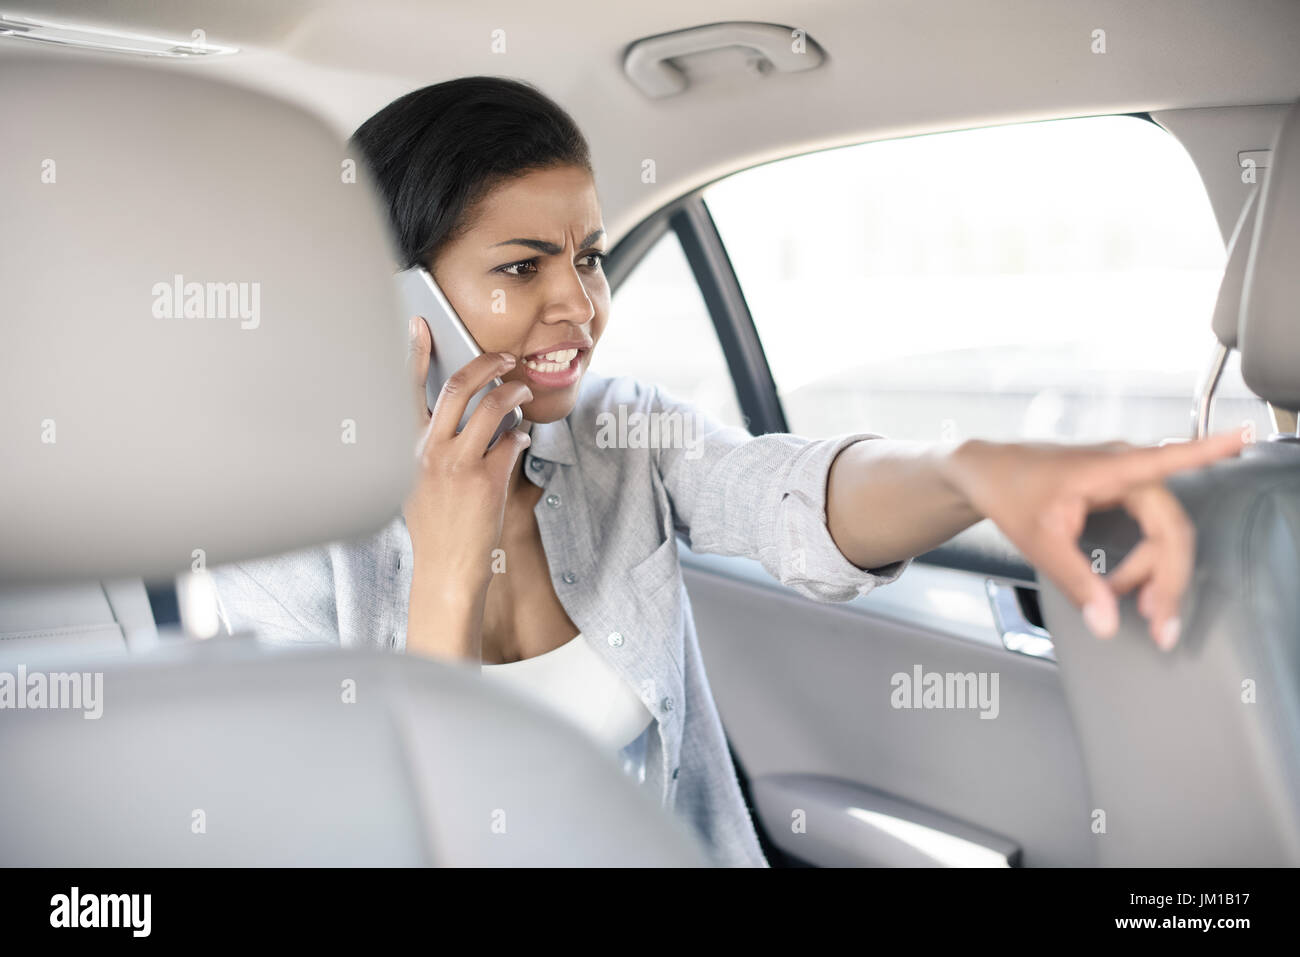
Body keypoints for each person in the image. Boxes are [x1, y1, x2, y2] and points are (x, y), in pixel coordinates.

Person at [211, 76, 1245, 867]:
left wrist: (968, 471)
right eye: (523, 267)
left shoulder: (619, 434)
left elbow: (785, 493)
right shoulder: (287, 554)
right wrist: (446, 563)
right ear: (399, 304)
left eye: (589, 257)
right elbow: (380, 839)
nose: (581, 306)